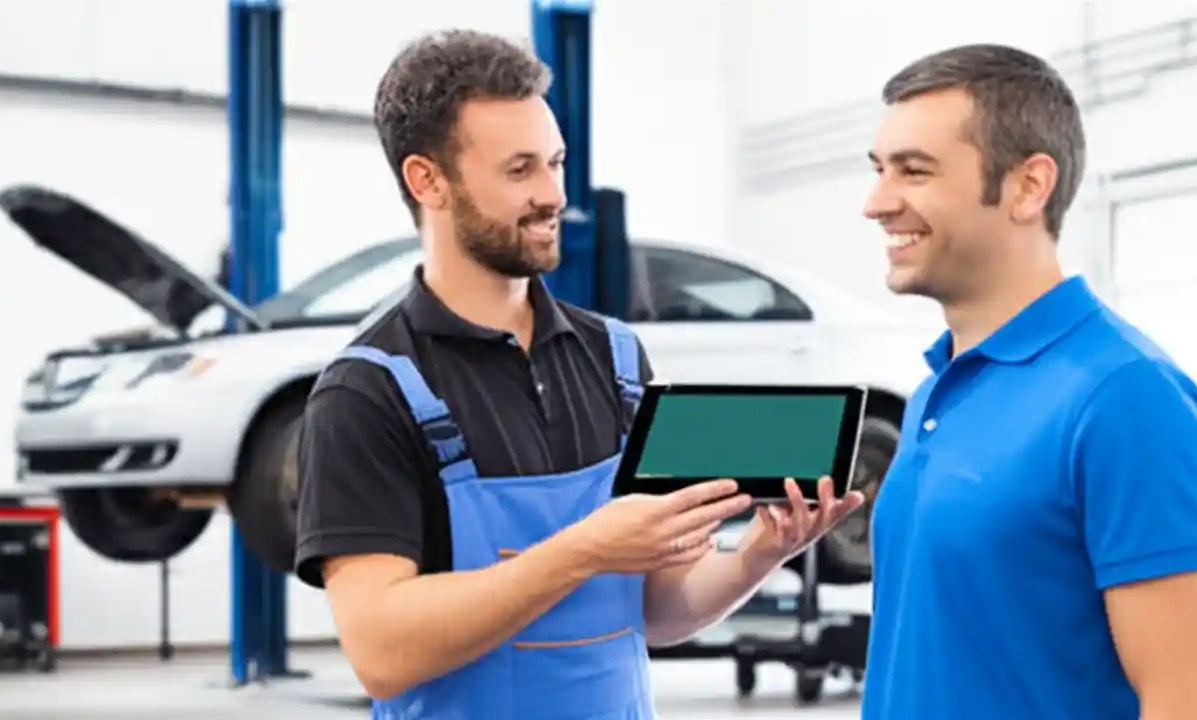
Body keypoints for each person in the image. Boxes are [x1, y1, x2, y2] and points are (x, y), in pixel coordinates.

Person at [293, 29, 863, 718]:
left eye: (556, 163)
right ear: (427, 180)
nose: (554, 194)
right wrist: (583, 550)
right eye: (520, 169)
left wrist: (758, 557)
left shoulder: (615, 360)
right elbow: (384, 653)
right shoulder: (368, 391)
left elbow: (653, 610)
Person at [860, 44, 1197, 720]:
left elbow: (1190, 705)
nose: (877, 203)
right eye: (880, 169)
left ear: (1029, 186)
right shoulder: (934, 393)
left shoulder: (1127, 398)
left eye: (913, 171)